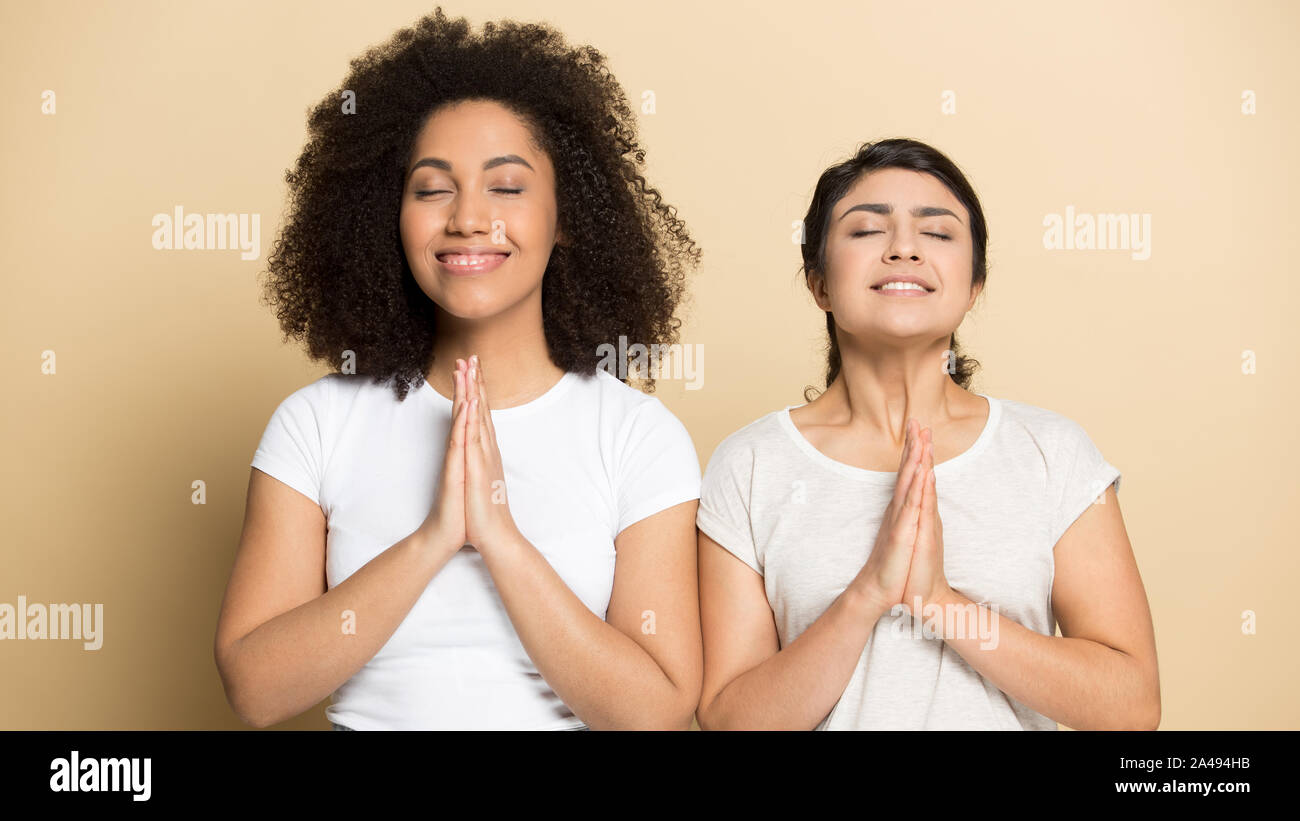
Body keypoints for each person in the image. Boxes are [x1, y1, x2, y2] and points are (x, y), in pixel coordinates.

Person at [214, 7, 704, 730]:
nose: (469, 218)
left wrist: (500, 539)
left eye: (507, 186)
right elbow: (255, 689)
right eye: (432, 188)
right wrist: (434, 537)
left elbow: (656, 711)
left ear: (567, 217)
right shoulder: (315, 424)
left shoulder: (637, 437)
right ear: (389, 215)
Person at [694, 138, 1160, 730]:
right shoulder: (750, 465)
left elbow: (1131, 706)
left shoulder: (1053, 453)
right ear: (818, 283)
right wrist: (867, 594)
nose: (904, 249)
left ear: (973, 288)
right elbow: (731, 722)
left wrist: (938, 603)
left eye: (938, 234)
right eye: (866, 231)